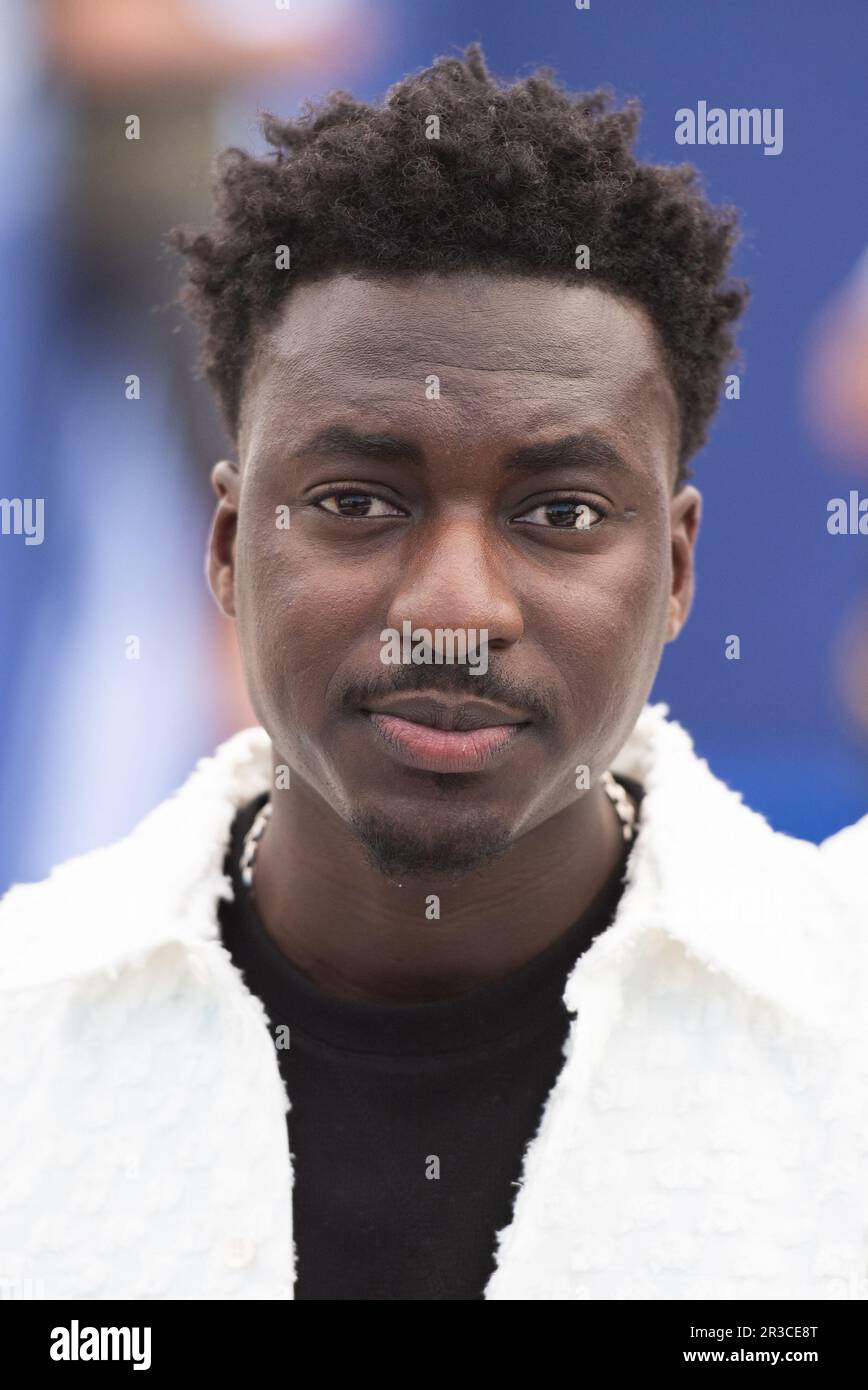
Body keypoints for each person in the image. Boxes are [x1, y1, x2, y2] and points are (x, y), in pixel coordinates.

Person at [1, 45, 866, 1303]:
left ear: (676, 569)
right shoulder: (24, 1036)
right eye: (357, 499)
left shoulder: (841, 1033)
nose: (454, 610)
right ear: (231, 546)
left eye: (560, 512)